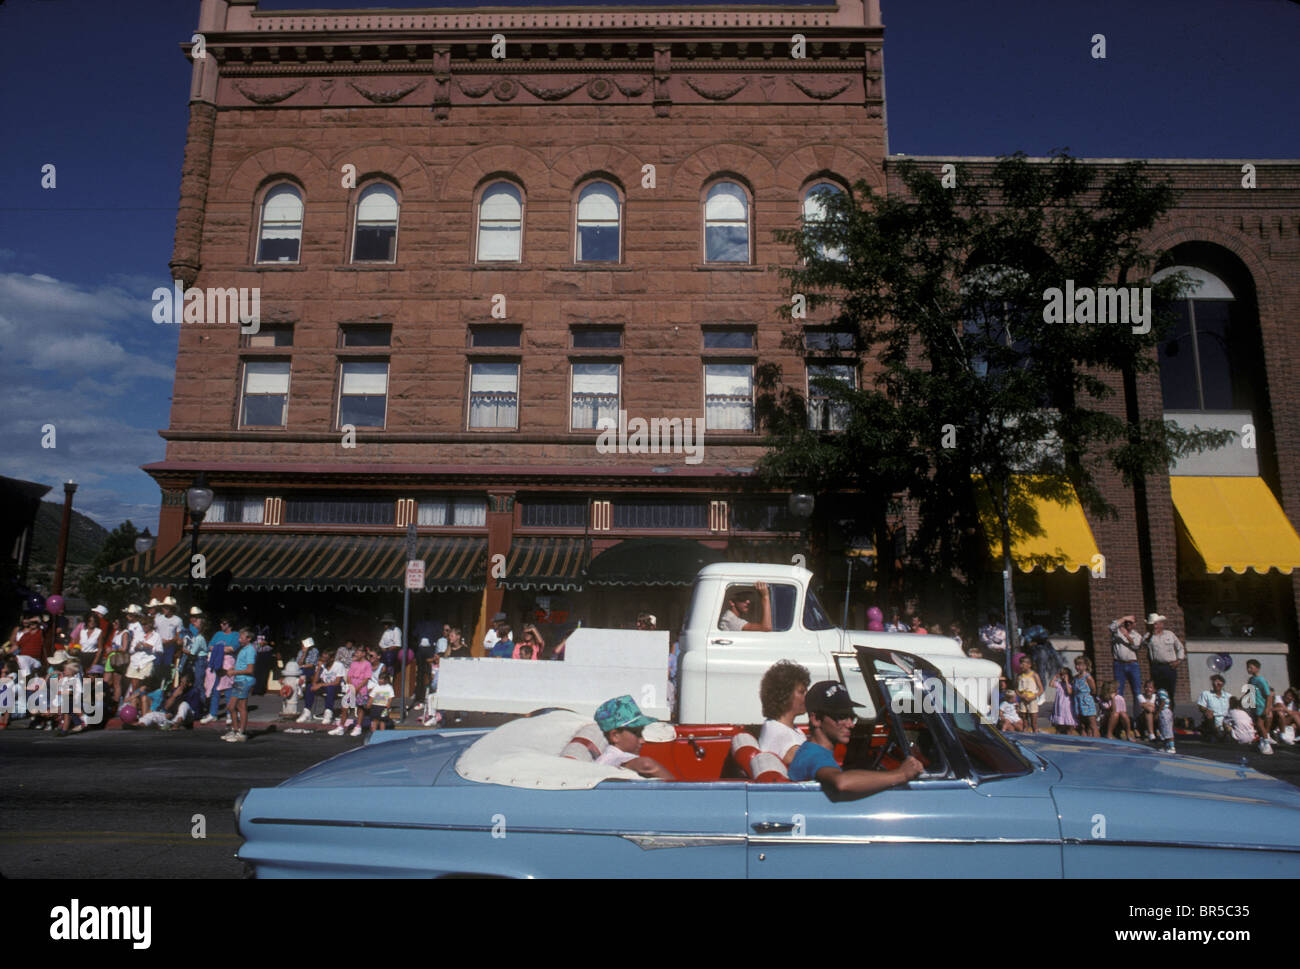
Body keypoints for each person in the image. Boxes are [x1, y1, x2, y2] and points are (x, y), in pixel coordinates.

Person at [789, 681, 923, 795]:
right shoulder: (815, 755)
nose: (851, 724)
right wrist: (901, 774)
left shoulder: (810, 749)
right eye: (841, 717)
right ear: (816, 719)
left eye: (850, 716)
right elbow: (841, 782)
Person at [593, 695, 677, 780]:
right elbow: (647, 764)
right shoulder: (613, 758)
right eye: (637, 734)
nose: (642, 740)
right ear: (615, 736)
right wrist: (675, 788)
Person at [758, 659, 810, 765]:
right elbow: (810, 765)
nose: (807, 696)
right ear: (784, 696)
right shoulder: (784, 737)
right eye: (801, 692)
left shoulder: (774, 725)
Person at [200, 618, 239, 724]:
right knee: (214, 688)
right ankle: (213, 713)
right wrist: (222, 649)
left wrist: (218, 648)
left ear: (230, 624)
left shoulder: (235, 635)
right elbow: (210, 647)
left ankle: (230, 713)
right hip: (216, 662)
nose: (221, 624)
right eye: (221, 622)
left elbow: (233, 648)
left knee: (227, 689)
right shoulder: (218, 634)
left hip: (227, 663)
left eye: (224, 623)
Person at [223, 627, 258, 742]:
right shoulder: (243, 649)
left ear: (248, 638)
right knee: (231, 707)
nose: (239, 639)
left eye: (241, 637)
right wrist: (234, 668)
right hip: (239, 680)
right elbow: (242, 665)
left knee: (241, 706)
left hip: (245, 680)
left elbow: (250, 670)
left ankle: (241, 732)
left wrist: (234, 672)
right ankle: (235, 730)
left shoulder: (250, 650)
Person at [1143, 613, 1184, 707]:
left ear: (1161, 624)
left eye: (1156, 624)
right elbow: (1142, 644)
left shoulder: (1170, 634)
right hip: (1156, 667)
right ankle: (1158, 714)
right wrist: (1150, 634)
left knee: (1170, 691)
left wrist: (1179, 660)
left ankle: (1170, 715)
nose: (1154, 626)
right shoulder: (1148, 636)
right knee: (1156, 691)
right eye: (1152, 624)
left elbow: (1180, 648)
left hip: (1169, 667)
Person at [1108, 614, 1143, 711]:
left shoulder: (1137, 635)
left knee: (1137, 691)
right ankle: (1120, 716)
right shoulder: (1117, 632)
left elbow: (1136, 646)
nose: (1128, 624)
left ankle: (1137, 718)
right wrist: (1123, 618)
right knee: (1118, 692)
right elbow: (1111, 627)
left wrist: (1126, 635)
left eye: (1131, 622)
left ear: (1135, 624)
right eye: (1127, 622)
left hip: (1133, 665)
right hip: (1119, 664)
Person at [1244, 659, 1274, 755]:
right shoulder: (1251, 680)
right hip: (1255, 706)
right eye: (1247, 667)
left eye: (1251, 667)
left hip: (1261, 706)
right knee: (1258, 725)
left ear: (1257, 668)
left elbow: (1268, 695)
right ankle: (1262, 742)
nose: (1248, 669)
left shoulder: (1261, 680)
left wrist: (1267, 708)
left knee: (1260, 724)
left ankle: (1267, 744)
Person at [154, 597, 184, 684]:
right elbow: (154, 632)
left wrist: (170, 641)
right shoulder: (158, 619)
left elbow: (178, 635)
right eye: (163, 607)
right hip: (159, 645)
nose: (164, 609)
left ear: (172, 609)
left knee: (167, 666)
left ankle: (164, 685)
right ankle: (156, 684)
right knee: (157, 665)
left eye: (166, 607)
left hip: (170, 646)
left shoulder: (178, 620)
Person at [1195, 674, 1231, 741]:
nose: (1217, 684)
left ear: (1223, 684)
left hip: (1226, 721)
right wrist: (1206, 710)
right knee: (1209, 714)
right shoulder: (1206, 694)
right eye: (1215, 682)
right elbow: (1201, 706)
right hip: (1213, 720)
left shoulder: (1228, 696)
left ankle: (1225, 735)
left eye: (1219, 683)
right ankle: (1215, 734)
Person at [1015, 653, 1044, 733]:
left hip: (1032, 700)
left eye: (1023, 664)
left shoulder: (1034, 675)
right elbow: (1016, 689)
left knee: (1033, 722)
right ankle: (1025, 735)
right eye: (1020, 664)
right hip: (1023, 700)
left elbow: (1041, 689)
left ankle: (1036, 734)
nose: (1021, 666)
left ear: (1029, 665)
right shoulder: (1019, 676)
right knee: (1024, 721)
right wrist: (1021, 696)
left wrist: (1034, 697)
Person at [1072, 655, 1099, 737]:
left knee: (1092, 724)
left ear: (1085, 666)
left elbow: (1093, 689)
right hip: (1078, 701)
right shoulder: (1075, 678)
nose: (1077, 667)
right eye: (1076, 665)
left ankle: (1097, 740)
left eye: (1079, 665)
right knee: (1082, 725)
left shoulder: (1088, 677)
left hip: (1086, 701)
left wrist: (1087, 697)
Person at [1050, 668, 1076, 734]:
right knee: (1059, 726)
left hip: (1067, 708)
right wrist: (1055, 677)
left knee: (1069, 726)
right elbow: (1051, 684)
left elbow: (1069, 692)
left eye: (1064, 675)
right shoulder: (1059, 684)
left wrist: (1067, 681)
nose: (1062, 677)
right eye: (1061, 675)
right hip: (1059, 708)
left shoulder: (1071, 684)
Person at [1155, 689, 1175, 754]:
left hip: (1164, 712)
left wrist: (1157, 713)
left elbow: (1163, 702)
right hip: (1165, 712)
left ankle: (1172, 747)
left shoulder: (1161, 692)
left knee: (1168, 730)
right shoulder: (1163, 692)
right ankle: (1166, 746)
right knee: (1164, 730)